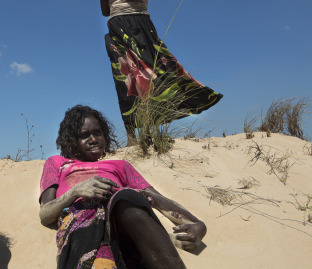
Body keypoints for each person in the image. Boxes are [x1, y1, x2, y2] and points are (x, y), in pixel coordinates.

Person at [39, 105, 206, 269]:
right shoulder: (58, 163)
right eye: (84, 135)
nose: (93, 139)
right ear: (71, 141)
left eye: (98, 133)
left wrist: (198, 224)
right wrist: (76, 191)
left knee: (127, 198)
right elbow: (46, 213)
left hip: (125, 222)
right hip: (82, 226)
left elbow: (155, 198)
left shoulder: (121, 166)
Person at [92, 0, 223, 144]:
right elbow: (105, 10)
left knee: (148, 79)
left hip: (137, 28)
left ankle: (150, 130)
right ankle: (131, 136)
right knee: (125, 83)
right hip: (116, 33)